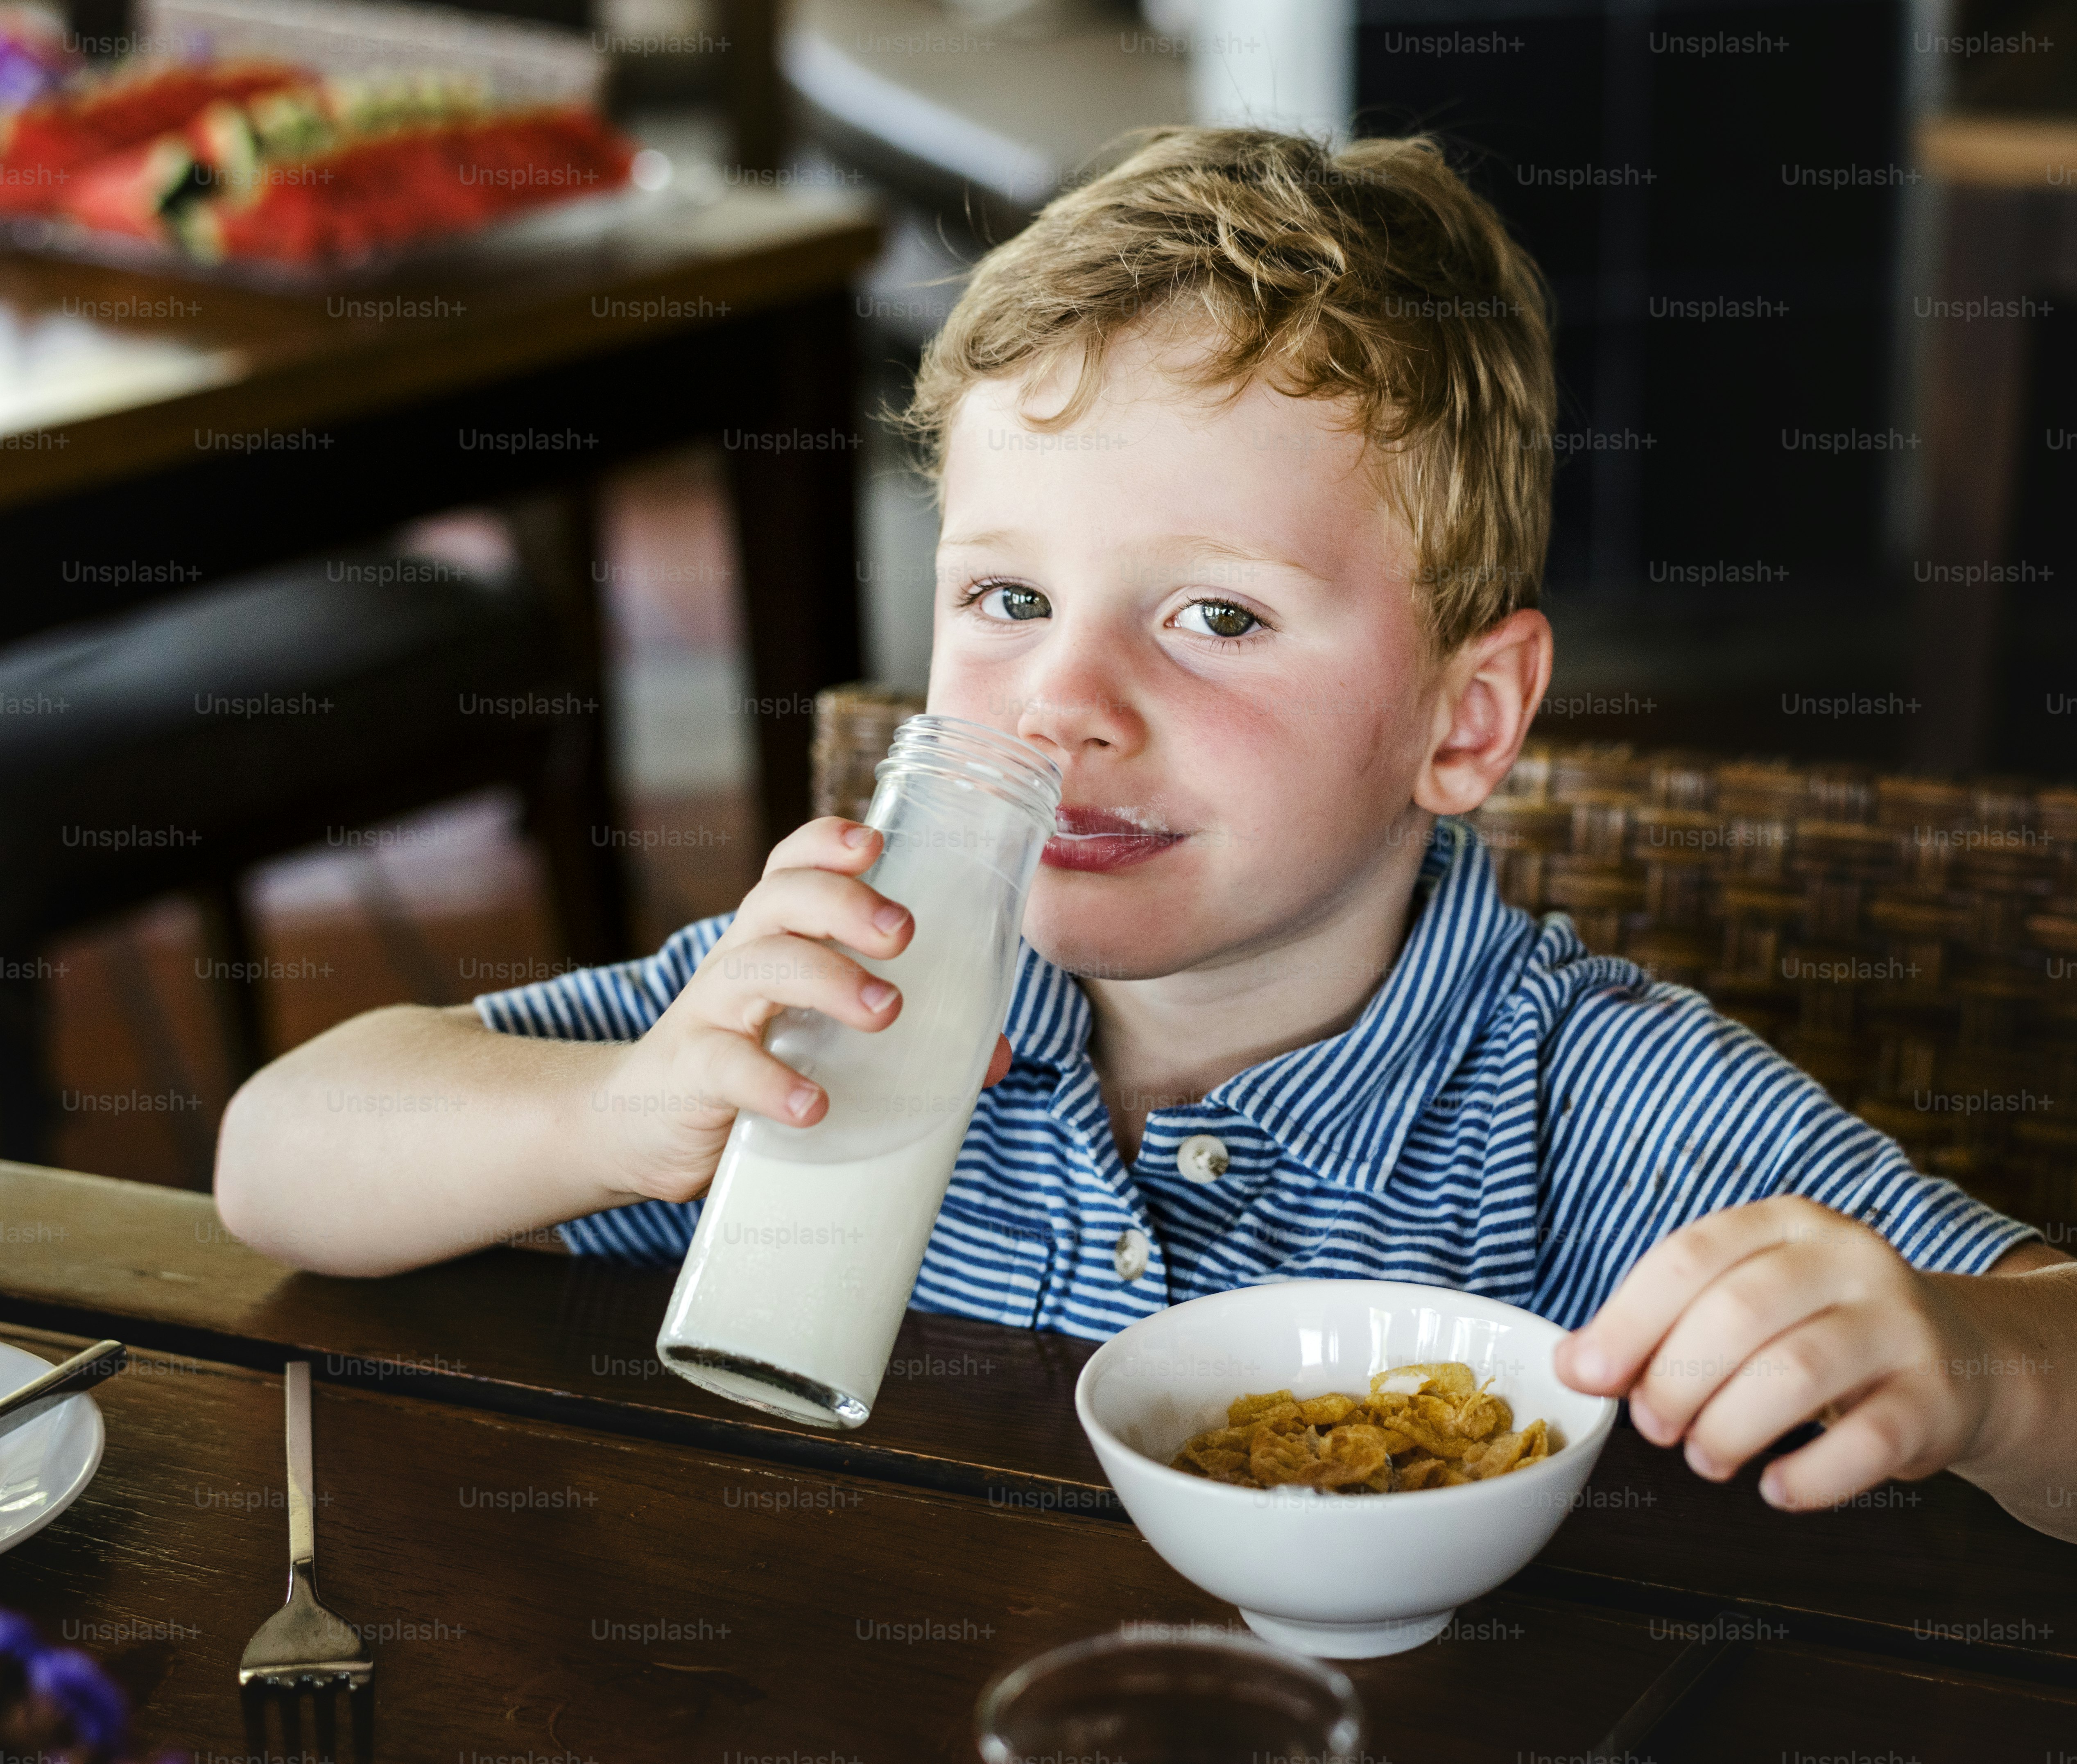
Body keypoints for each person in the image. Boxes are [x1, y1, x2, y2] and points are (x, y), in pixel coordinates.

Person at [215, 126, 2077, 1540]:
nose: (1062, 704)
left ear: (1464, 721)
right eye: (1007, 600)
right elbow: (276, 1164)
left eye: (1217, 618)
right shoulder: (845, 1003)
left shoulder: (1577, 1111)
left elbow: (2041, 1364)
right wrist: (618, 1116)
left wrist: (1978, 1367)